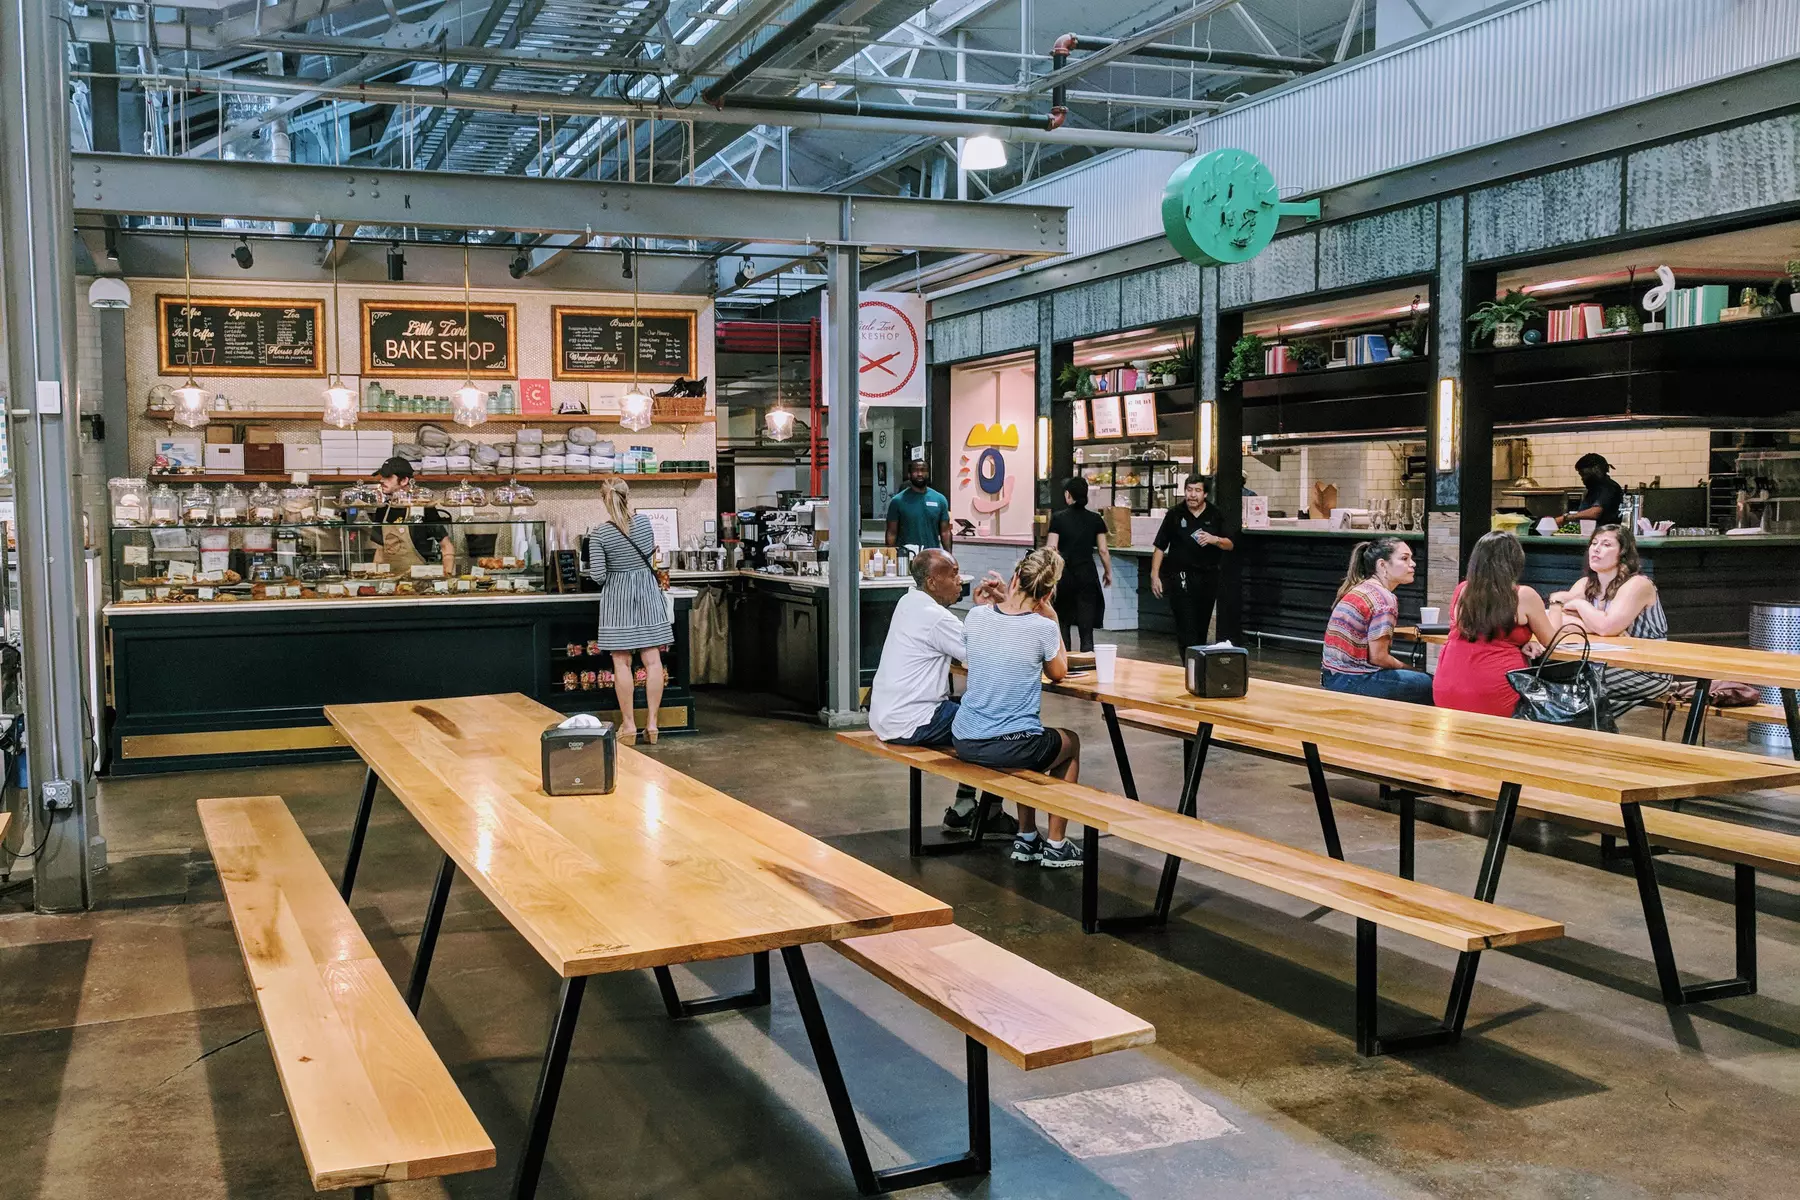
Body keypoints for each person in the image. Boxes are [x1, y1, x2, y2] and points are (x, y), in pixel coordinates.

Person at [868, 549, 1013, 838]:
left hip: (888, 716)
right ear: (933, 582)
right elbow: (988, 656)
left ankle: (963, 807)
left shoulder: (909, 601)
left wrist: (983, 613)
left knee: (974, 711)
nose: (961, 580)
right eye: (954, 574)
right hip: (916, 720)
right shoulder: (935, 617)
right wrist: (1004, 606)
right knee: (1006, 724)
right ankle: (992, 814)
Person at [953, 548, 1082, 869]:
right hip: (1008, 746)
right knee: (1069, 742)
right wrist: (1052, 619)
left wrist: (1001, 601)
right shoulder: (1043, 627)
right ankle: (1056, 844)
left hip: (965, 738)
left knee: (1033, 737)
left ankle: (1027, 837)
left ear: (1014, 579)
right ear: (1049, 593)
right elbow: (1059, 672)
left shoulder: (977, 616)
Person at [1548, 524, 1672, 719]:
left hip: (1647, 669)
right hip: (1605, 663)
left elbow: (1606, 628)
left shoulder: (1637, 584)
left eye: (1606, 544)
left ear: (1623, 553)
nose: (1596, 549)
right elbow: (1560, 626)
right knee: (1553, 674)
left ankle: (1580, 737)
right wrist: (1560, 605)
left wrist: (1581, 606)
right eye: (1594, 543)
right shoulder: (1586, 584)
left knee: (1577, 682)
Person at [584, 478, 673, 746]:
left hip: (618, 599)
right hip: (647, 594)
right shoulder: (645, 523)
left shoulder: (599, 534)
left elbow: (598, 576)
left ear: (603, 499)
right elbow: (648, 555)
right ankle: (653, 725)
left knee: (621, 662)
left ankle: (630, 725)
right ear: (628, 495)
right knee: (653, 660)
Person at [1433, 531, 1558, 717]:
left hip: (1446, 687)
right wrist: (1557, 604)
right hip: (1496, 691)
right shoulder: (1523, 595)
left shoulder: (1463, 590)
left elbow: (1487, 629)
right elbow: (1553, 640)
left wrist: (1524, 641)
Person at [1321, 537, 1434, 704]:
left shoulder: (1362, 588)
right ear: (1382, 565)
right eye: (1404, 558)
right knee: (1431, 684)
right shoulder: (1384, 599)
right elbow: (1378, 658)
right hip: (1352, 680)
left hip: (1332, 676)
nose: (1413, 564)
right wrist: (1412, 670)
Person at [1150, 474, 1234, 657]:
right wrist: (1154, 575)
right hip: (1180, 576)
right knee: (1185, 625)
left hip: (1208, 576)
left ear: (1205, 494)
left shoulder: (1215, 514)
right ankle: (1189, 666)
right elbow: (1159, 547)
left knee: (1201, 626)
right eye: (1189, 490)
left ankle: (1198, 666)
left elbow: (1230, 544)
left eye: (1197, 491)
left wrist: (1214, 539)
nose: (1192, 495)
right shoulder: (1174, 514)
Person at [1044, 476, 1112, 652]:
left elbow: (1051, 548)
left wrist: (1049, 573)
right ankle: (1087, 663)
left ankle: (1064, 664)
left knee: (1063, 623)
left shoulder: (1058, 518)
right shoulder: (1096, 519)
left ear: (1068, 495)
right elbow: (1103, 550)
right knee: (1086, 626)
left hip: (1064, 575)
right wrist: (1108, 572)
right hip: (1087, 574)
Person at [370, 457, 455, 576]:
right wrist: (374, 579)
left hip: (419, 581)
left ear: (404, 480)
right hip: (389, 582)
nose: (382, 480)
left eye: (388, 477)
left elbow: (446, 546)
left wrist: (448, 575)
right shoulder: (382, 509)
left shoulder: (424, 508)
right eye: (382, 476)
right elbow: (380, 550)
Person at [885, 456, 952, 551]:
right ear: (909, 475)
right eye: (915, 471)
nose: (920, 474)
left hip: (932, 557)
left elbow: (945, 532)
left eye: (923, 470)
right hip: (906, 556)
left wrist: (949, 557)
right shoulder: (897, 501)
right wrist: (891, 558)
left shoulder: (940, 499)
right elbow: (892, 532)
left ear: (928, 474)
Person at [1559, 453, 1624, 528]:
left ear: (1596, 470)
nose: (1582, 478)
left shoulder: (1608, 488)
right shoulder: (1595, 489)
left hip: (1604, 533)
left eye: (1584, 474)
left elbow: (1595, 512)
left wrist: (1566, 518)